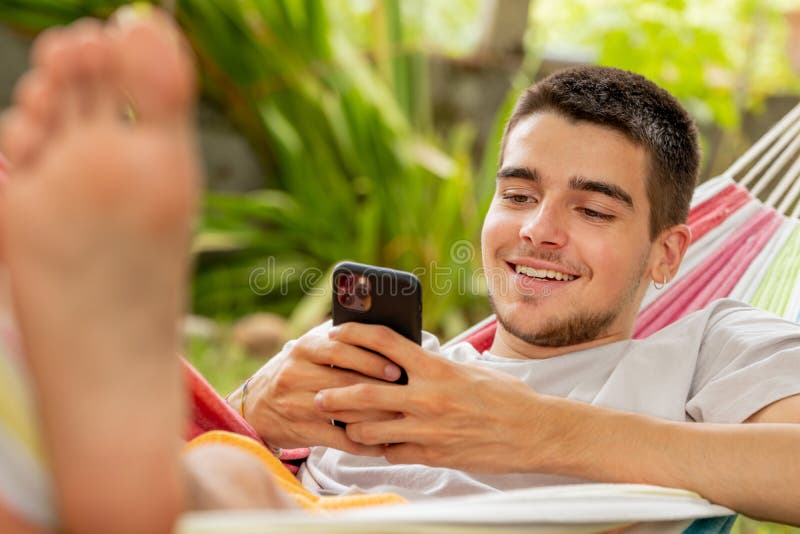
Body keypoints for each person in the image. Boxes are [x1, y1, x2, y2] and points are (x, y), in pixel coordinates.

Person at [0, 7, 798, 534]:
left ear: (668, 252)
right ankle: (114, 465)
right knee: (219, 465)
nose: (538, 233)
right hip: (291, 506)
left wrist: (533, 430)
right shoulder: (415, 367)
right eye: (517, 194)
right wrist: (258, 411)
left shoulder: (708, 345)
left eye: (593, 211)